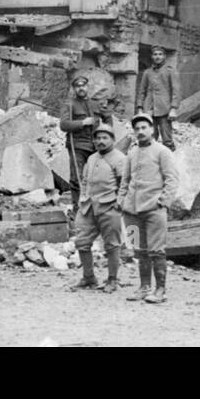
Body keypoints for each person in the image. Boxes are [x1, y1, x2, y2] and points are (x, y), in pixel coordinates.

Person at [118, 112, 179, 304]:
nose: (140, 131)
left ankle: (160, 290)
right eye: (137, 128)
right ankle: (144, 287)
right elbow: (125, 180)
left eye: (144, 127)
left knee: (157, 251)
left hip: (154, 209)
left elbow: (172, 179)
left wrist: (163, 202)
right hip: (132, 211)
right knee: (139, 250)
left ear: (152, 129)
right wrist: (121, 201)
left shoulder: (162, 151)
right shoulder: (132, 153)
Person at [69, 123, 127, 293]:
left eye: (105, 138)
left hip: (110, 207)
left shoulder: (119, 159)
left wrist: (119, 203)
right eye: (98, 138)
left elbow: (125, 183)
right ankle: (89, 278)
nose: (100, 141)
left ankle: (112, 279)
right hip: (88, 208)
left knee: (112, 245)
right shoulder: (92, 158)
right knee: (82, 242)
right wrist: (82, 198)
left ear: (112, 140)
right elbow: (85, 180)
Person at [58, 74, 112, 204]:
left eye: (83, 85)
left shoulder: (95, 103)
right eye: (78, 86)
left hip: (95, 146)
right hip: (78, 146)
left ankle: (96, 207)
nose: (81, 88)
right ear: (74, 89)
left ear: (88, 87)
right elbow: (63, 125)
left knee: (97, 177)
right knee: (77, 179)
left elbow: (108, 117)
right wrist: (83, 122)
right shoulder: (69, 105)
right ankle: (78, 210)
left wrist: (105, 133)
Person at [136, 46, 178, 151]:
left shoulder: (170, 71)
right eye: (155, 54)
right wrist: (140, 107)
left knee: (167, 139)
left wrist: (173, 108)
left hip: (164, 108)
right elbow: (142, 91)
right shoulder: (147, 72)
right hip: (149, 109)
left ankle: (169, 160)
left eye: (160, 54)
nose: (157, 57)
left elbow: (176, 91)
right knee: (149, 137)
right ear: (152, 56)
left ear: (164, 56)